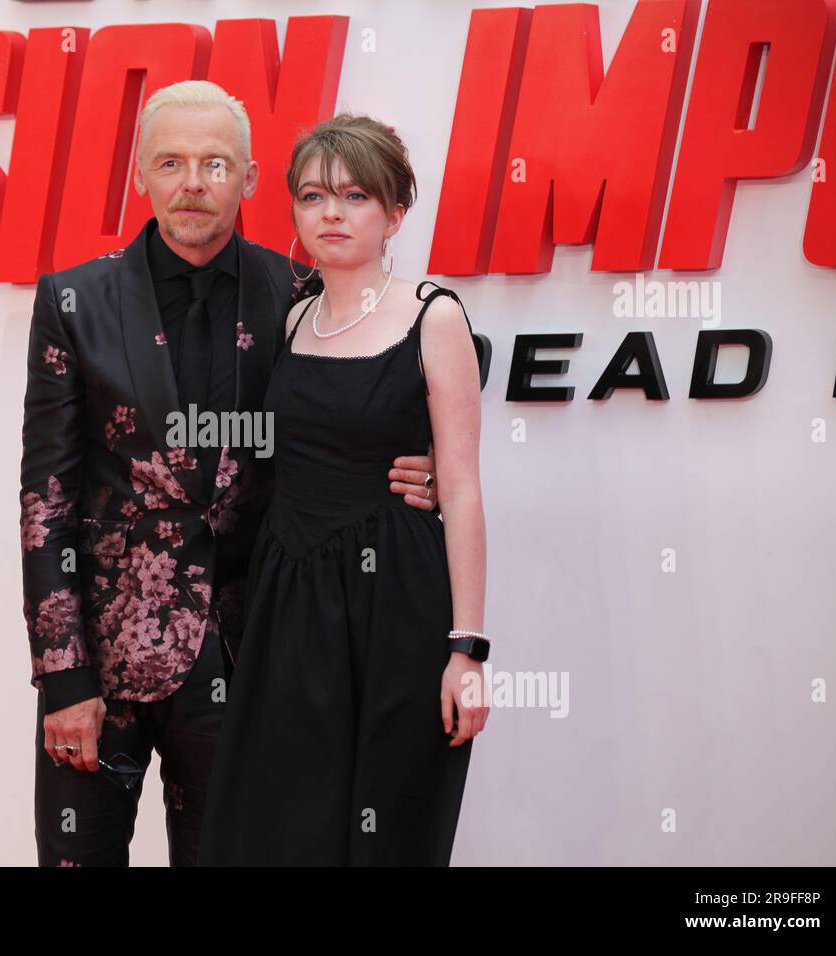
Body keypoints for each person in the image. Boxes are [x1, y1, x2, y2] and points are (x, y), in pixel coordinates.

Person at [19, 82, 442, 866]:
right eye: (171, 162)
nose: (192, 183)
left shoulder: (300, 295)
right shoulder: (75, 300)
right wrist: (63, 677)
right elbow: (45, 501)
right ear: (140, 175)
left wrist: (439, 464)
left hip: (253, 660)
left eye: (215, 164)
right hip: (101, 669)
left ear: (249, 180)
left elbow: (398, 371)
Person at [198, 114, 490, 866]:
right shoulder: (292, 317)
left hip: (395, 599)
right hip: (290, 600)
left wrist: (467, 650)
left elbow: (459, 490)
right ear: (293, 210)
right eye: (314, 196)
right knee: (286, 825)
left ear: (394, 214)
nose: (332, 212)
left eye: (356, 196)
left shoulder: (436, 317)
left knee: (385, 823)